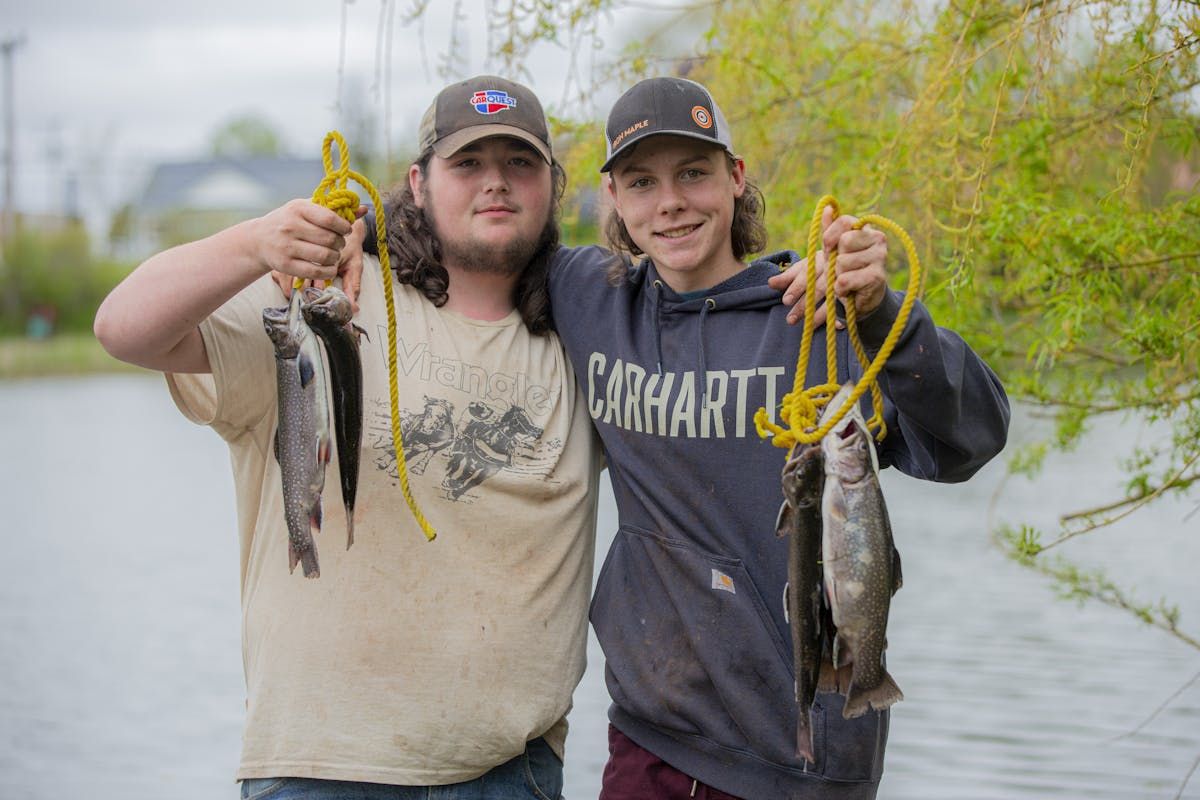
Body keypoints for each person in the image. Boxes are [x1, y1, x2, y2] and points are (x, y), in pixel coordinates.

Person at [94, 75, 611, 799]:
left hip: (512, 773)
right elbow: (123, 328)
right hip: (316, 767)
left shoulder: (592, 330)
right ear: (418, 183)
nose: (496, 183)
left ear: (553, 186)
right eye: (468, 164)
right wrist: (254, 241)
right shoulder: (322, 297)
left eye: (519, 163)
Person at [544, 77, 1011, 799]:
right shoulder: (591, 301)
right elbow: (468, 240)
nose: (669, 201)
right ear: (613, 198)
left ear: (735, 178)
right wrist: (334, 234)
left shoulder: (818, 322)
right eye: (642, 181)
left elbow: (971, 439)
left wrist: (885, 311)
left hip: (806, 757)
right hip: (650, 743)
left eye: (693, 173)